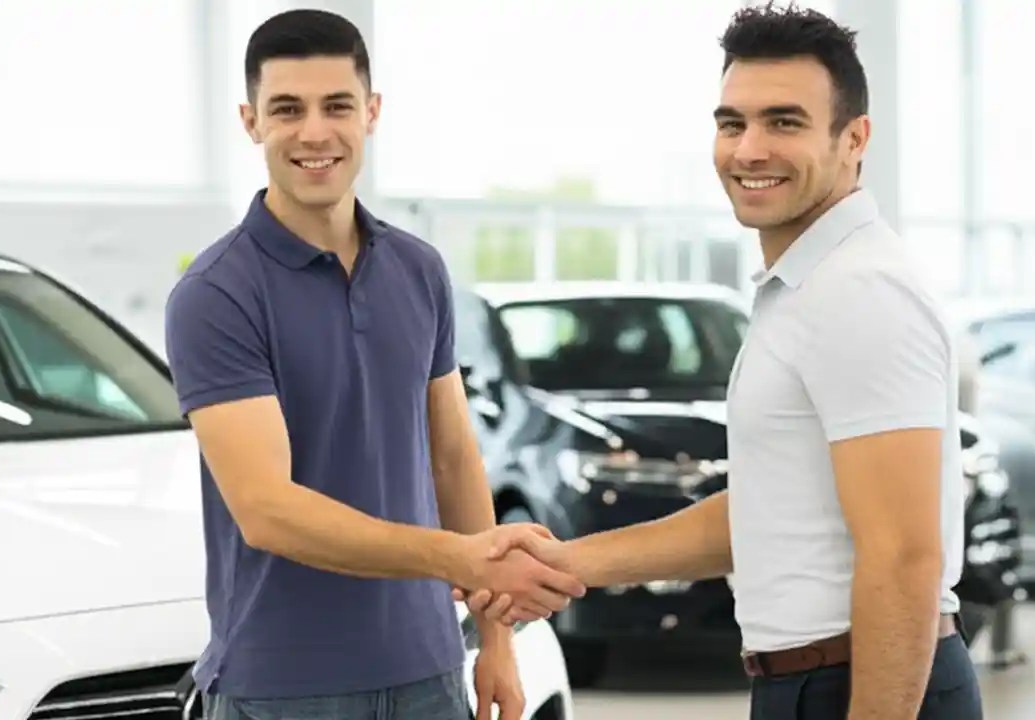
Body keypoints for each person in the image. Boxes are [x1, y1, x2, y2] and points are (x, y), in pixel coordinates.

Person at [457, 6, 983, 719]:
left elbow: (905, 559)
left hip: (862, 684)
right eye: (732, 123)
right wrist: (569, 565)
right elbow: (770, 511)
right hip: (811, 680)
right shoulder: (805, 288)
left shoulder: (860, 291)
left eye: (784, 122)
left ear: (855, 138)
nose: (749, 148)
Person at [163, 9, 585, 720]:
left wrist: (496, 641)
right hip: (283, 687)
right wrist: (455, 559)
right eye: (286, 109)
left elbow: (454, 460)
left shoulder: (419, 270)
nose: (315, 133)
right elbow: (268, 512)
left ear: (372, 112)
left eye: (337, 106)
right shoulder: (217, 294)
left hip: (430, 671)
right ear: (250, 121)